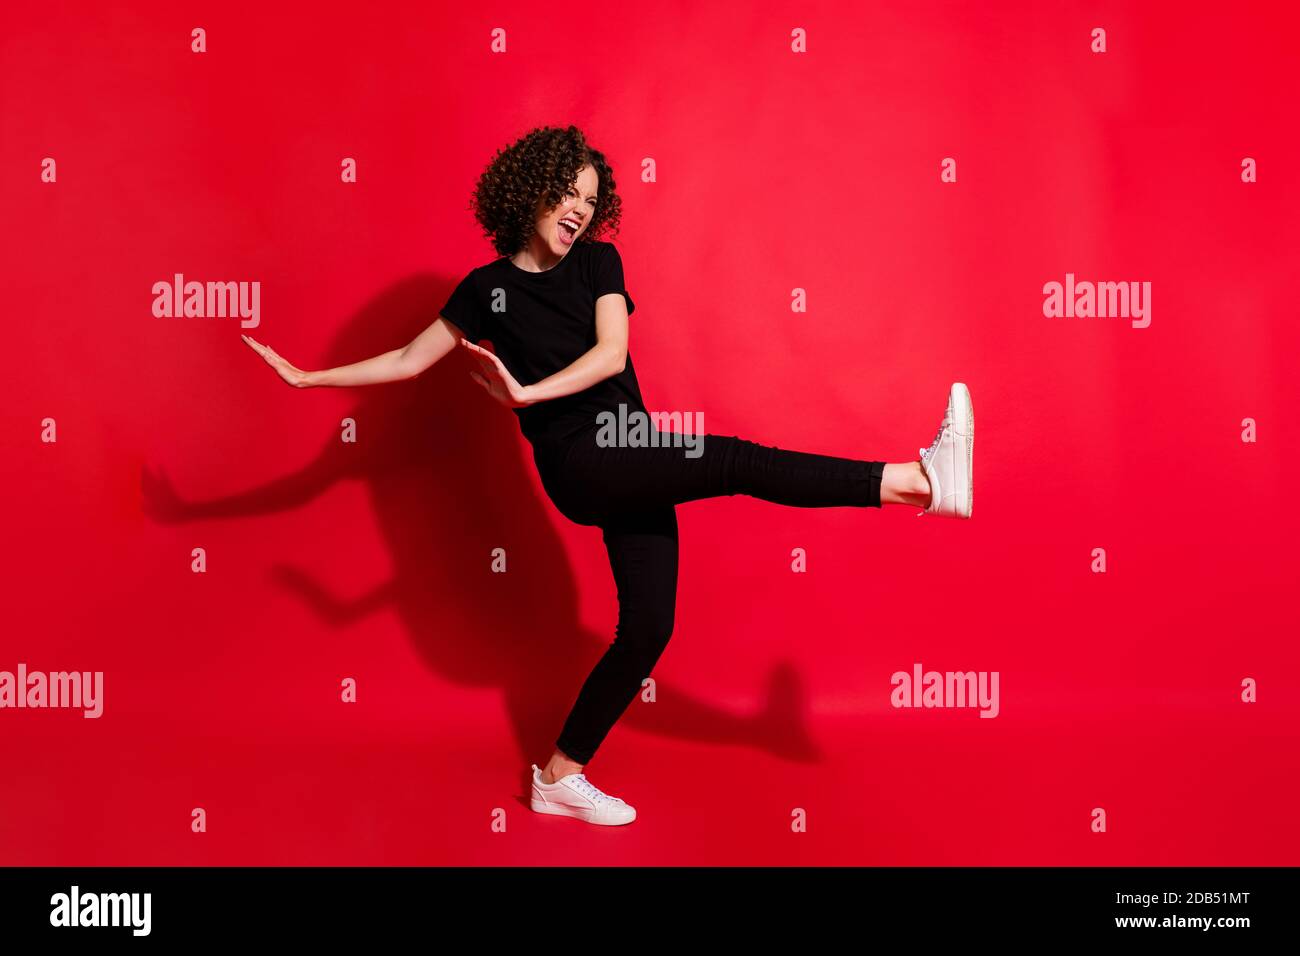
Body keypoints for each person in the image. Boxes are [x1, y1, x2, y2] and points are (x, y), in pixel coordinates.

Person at [241, 124, 974, 827]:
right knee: (739, 462)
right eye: (569, 194)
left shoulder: (598, 264)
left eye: (591, 201)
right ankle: (916, 480)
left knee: (649, 627)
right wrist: (309, 380)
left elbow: (611, 355)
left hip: (633, 447)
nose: (580, 211)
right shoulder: (483, 290)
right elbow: (407, 358)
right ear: (531, 190)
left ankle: (558, 776)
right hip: (580, 463)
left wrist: (525, 393)